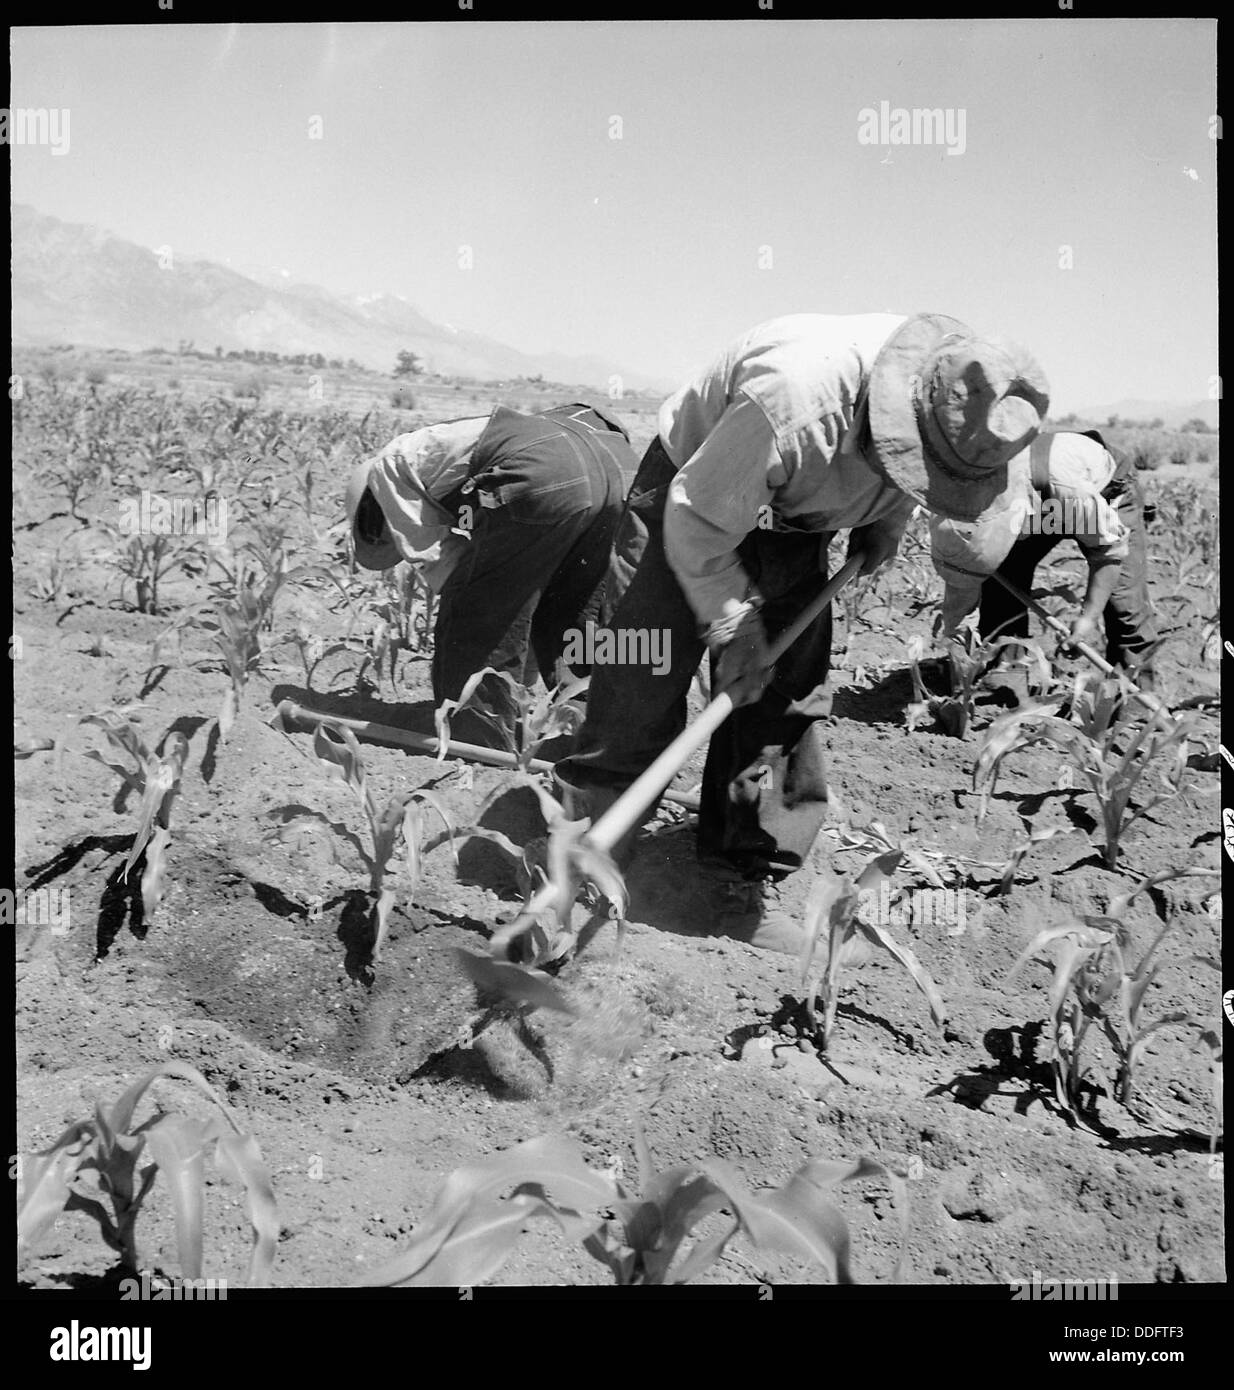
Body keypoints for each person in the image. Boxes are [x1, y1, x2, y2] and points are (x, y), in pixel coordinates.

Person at [554, 312, 1050, 949]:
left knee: (785, 695)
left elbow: (914, 465)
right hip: (696, 488)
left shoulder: (968, 409)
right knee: (642, 671)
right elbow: (699, 519)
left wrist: (884, 519)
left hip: (798, 514)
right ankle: (588, 859)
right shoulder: (794, 399)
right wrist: (734, 623)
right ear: (895, 415)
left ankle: (738, 880)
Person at [345, 401, 640, 743]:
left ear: (370, 503)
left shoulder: (392, 468)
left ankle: (481, 735)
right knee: (575, 612)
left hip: (545, 470)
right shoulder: (444, 465)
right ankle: (600, 733)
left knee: (475, 613)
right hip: (617, 469)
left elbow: (450, 569)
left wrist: (502, 639)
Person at [932, 429, 1159, 696]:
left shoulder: (1066, 490)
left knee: (1123, 602)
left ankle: (1133, 697)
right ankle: (1006, 669)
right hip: (1038, 494)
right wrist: (958, 641)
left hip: (1105, 489)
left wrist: (1087, 618)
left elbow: (1108, 553)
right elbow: (963, 572)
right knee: (1003, 574)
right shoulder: (973, 498)